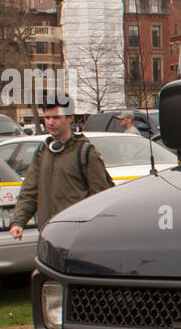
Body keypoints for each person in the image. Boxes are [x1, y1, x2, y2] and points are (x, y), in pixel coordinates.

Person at [9, 101, 113, 240]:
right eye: (47, 118)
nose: (50, 122)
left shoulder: (85, 153)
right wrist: (18, 222)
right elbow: (29, 193)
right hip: (47, 236)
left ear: (70, 118)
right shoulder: (42, 152)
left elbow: (101, 197)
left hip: (77, 238)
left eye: (56, 117)